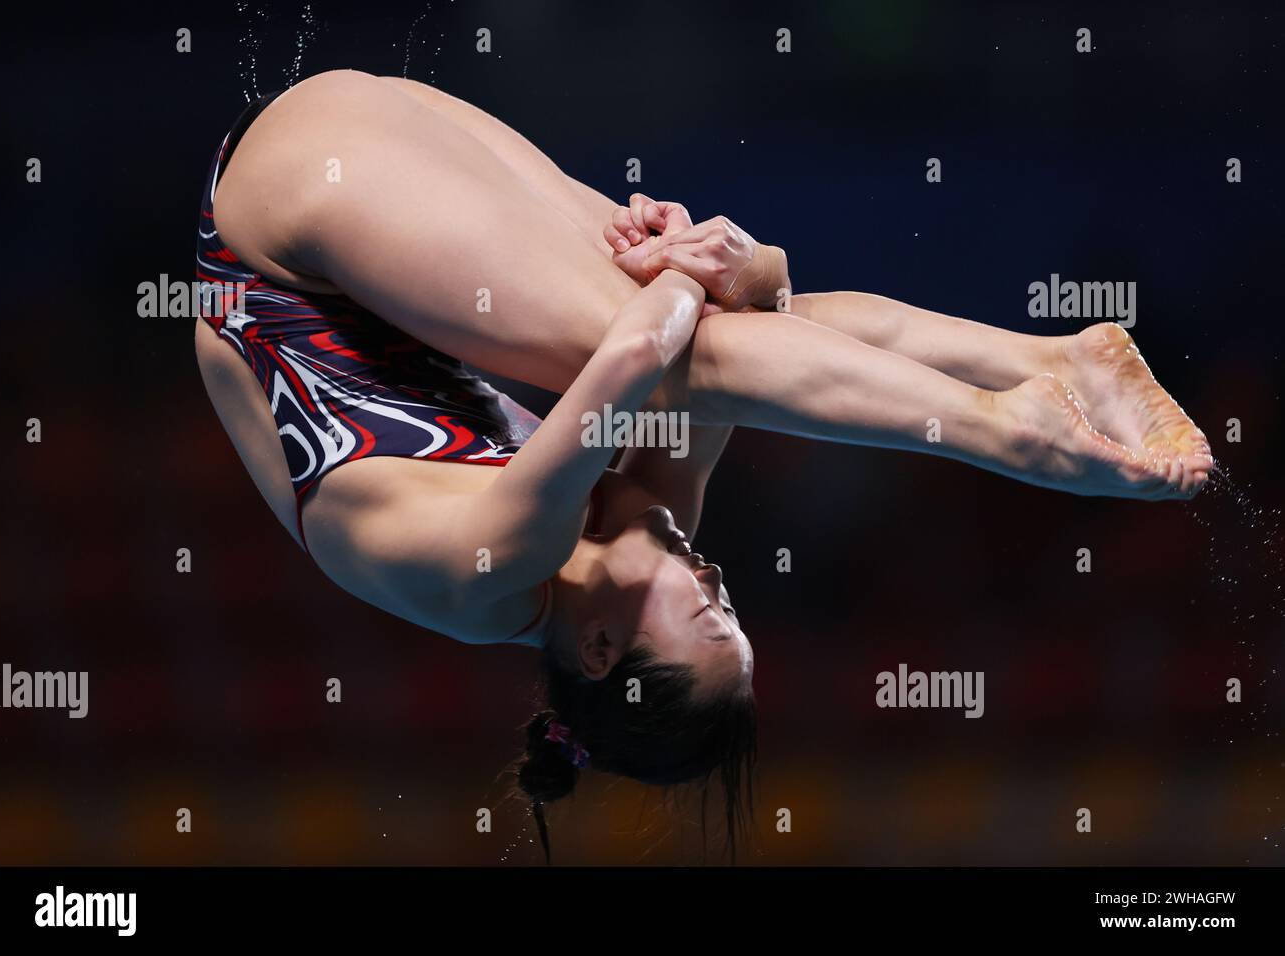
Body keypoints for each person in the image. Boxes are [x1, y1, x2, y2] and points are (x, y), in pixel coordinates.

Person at [194, 70, 1210, 860]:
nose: (717, 576)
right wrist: (749, 269)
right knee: (712, 358)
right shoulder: (619, 538)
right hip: (364, 153)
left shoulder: (487, 568)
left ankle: (1014, 432)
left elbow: (648, 353)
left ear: (599, 653)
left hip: (283, 215)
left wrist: (692, 280)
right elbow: (752, 337)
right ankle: (1040, 358)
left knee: (682, 360)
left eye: (709, 612)